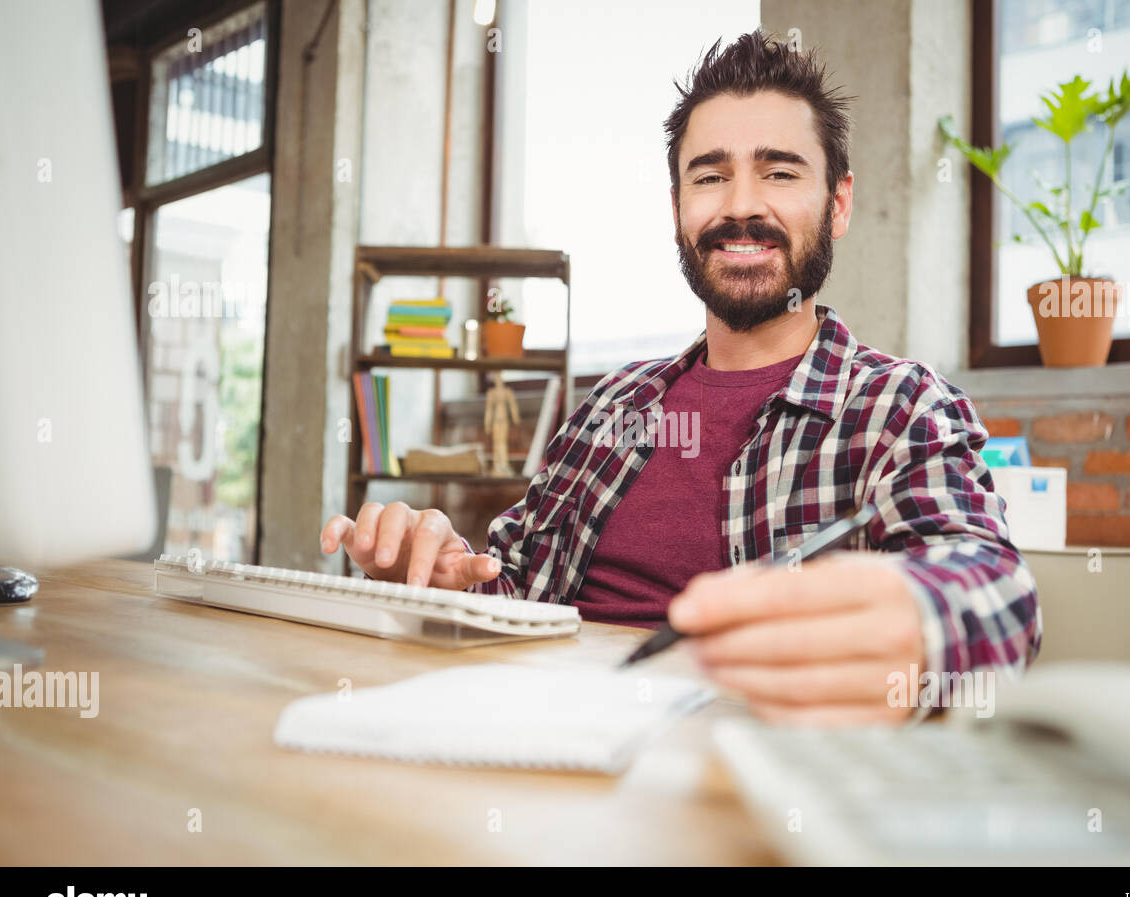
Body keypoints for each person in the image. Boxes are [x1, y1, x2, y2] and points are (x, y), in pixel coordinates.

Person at [321, 30, 1041, 725]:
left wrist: (918, 622)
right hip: (546, 746)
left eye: (780, 172)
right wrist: (440, 574)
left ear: (839, 203)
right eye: (710, 176)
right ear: (677, 211)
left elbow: (996, 591)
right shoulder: (613, 404)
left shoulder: (901, 406)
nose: (740, 207)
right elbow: (510, 582)